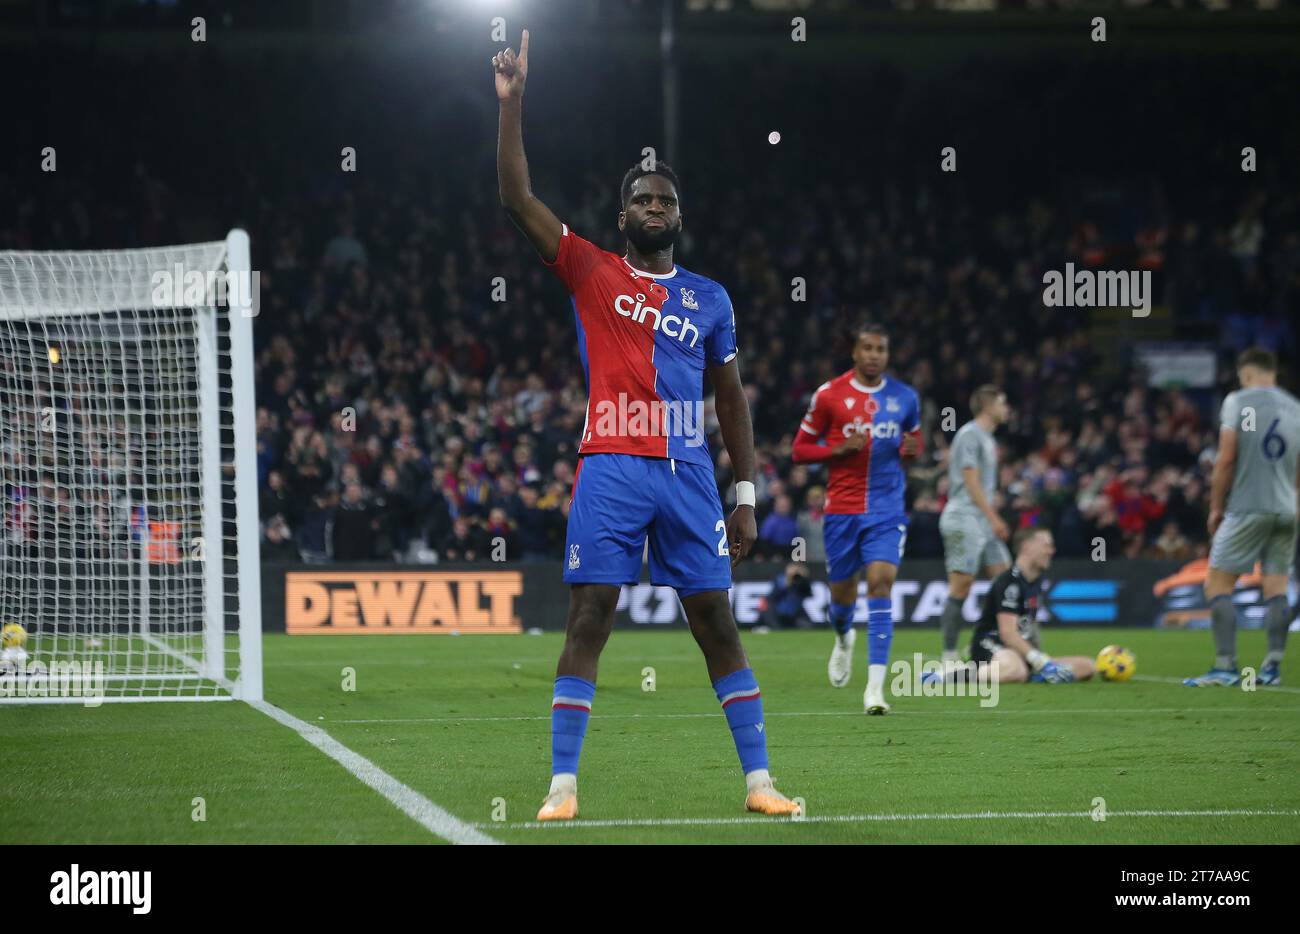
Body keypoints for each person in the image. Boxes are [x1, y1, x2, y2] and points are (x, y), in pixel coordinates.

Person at [493, 31, 799, 821]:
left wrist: (746, 493)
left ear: (678, 216)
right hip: (612, 466)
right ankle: (562, 788)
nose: (653, 207)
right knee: (590, 614)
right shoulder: (591, 269)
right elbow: (516, 199)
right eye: (641, 198)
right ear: (622, 213)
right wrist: (513, 102)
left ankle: (760, 783)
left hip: (692, 476)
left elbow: (731, 401)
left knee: (716, 623)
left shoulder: (711, 298)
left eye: (665, 199)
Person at [790, 322, 921, 713]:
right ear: (855, 352)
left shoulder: (905, 398)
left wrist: (913, 450)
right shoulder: (829, 395)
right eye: (867, 348)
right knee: (843, 596)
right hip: (842, 511)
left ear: (887, 354)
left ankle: (875, 690)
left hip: (887, 508)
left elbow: (913, 444)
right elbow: (799, 450)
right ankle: (844, 637)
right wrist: (839, 448)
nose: (874, 355)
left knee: (881, 583)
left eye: (881, 349)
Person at [1186, 348, 1299, 687]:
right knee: (1276, 588)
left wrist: (1216, 507)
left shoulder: (1238, 401)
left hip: (1248, 506)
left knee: (1217, 584)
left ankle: (1225, 667)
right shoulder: (1295, 408)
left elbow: (1225, 460)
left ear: (1246, 373)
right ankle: (1272, 668)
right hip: (1287, 509)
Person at [929, 528, 1094, 686]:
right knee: (1015, 670)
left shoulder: (1034, 582)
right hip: (992, 645)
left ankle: (1035, 675)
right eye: (1046, 545)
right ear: (1027, 546)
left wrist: (1041, 659)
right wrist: (1039, 660)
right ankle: (948, 675)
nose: (1051, 551)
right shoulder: (1009, 582)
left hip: (1019, 651)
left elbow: (1030, 625)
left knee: (1087, 667)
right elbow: (1008, 634)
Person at [937, 385, 1012, 667]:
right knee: (961, 587)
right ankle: (948, 656)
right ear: (988, 405)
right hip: (964, 518)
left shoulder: (989, 440)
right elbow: (970, 481)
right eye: (1003, 403)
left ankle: (998, 644)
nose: (1007, 409)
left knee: (1007, 581)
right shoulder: (970, 435)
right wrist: (994, 517)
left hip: (982, 519)